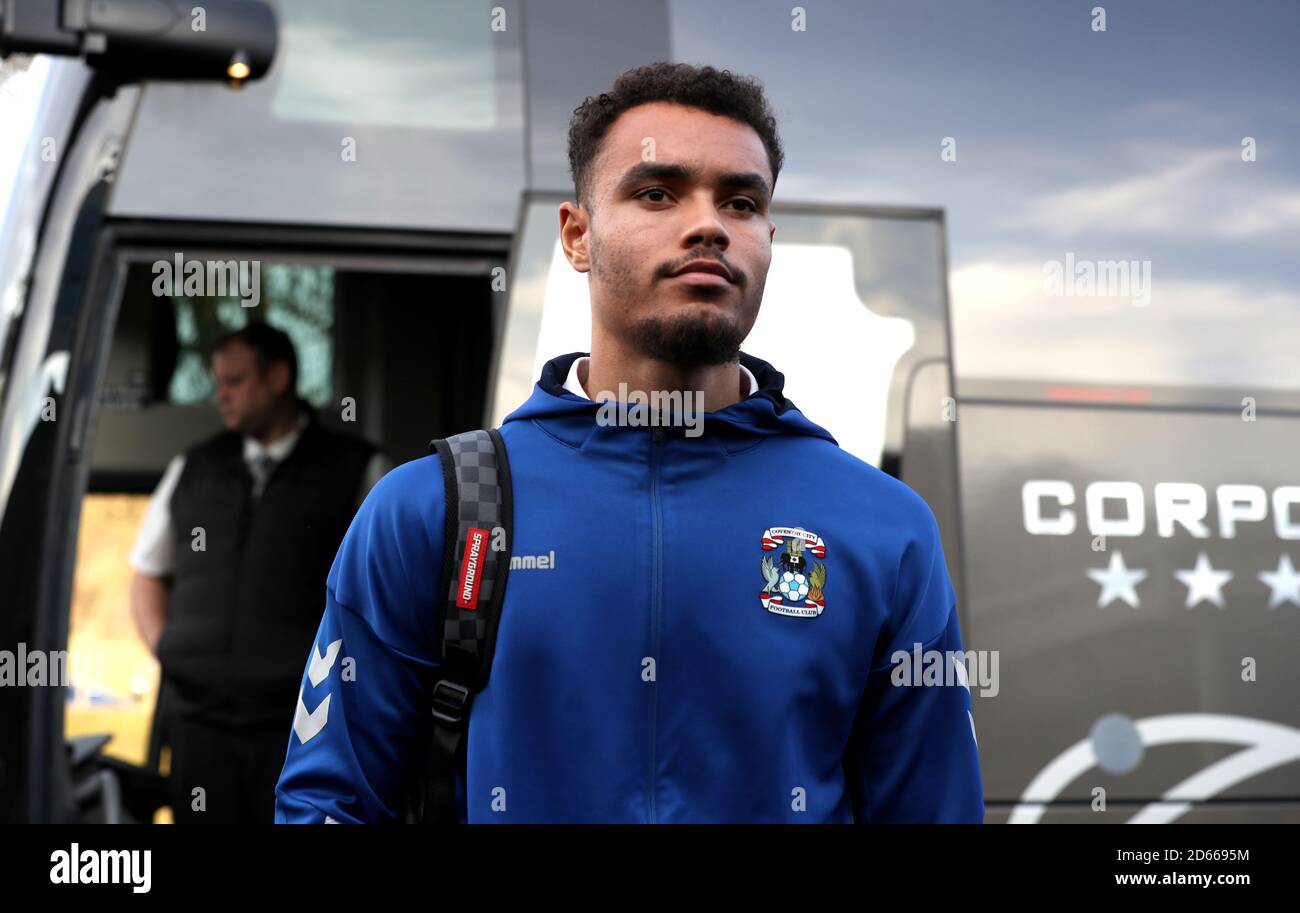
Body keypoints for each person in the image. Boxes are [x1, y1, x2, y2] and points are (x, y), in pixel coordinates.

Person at [275, 62, 983, 823]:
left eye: (741, 202)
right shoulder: (431, 512)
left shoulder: (885, 528)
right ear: (578, 236)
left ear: (767, 241)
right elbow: (331, 804)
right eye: (657, 192)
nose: (709, 223)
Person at [129, 321, 391, 823]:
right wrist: (167, 648)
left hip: (303, 727)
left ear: (279, 378)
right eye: (217, 382)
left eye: (235, 381)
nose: (220, 395)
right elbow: (145, 571)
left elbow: (388, 591)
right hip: (197, 725)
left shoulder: (356, 469)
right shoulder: (193, 468)